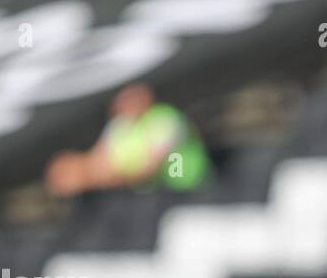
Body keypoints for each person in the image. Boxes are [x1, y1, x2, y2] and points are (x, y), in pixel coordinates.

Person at [45, 83, 211, 196]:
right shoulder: (120, 127)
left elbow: (154, 165)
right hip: (163, 194)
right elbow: (103, 154)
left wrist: (113, 176)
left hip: (191, 184)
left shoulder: (163, 118)